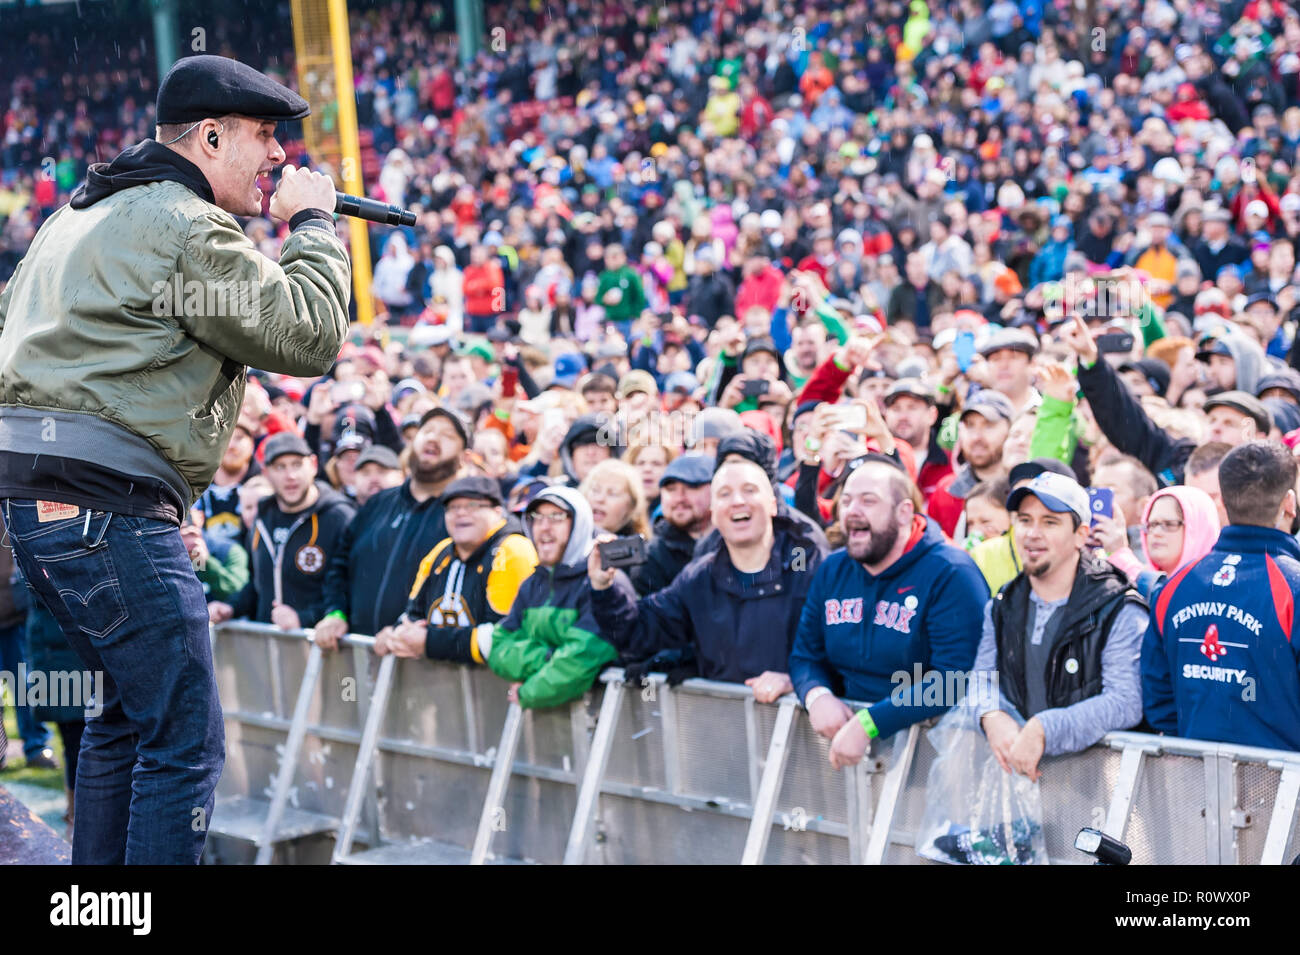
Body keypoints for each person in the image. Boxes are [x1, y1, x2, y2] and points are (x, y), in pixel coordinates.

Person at [0, 56, 349, 864]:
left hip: (43, 506)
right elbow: (307, 335)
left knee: (122, 718)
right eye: (265, 136)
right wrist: (313, 224)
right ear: (211, 135)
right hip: (106, 503)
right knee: (183, 738)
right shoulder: (182, 224)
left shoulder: (73, 218)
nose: (278, 158)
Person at [782, 459, 988, 768]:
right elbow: (805, 656)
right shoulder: (832, 569)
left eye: (869, 500)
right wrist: (816, 695)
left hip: (933, 756)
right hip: (846, 751)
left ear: (904, 512)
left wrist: (870, 723)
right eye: (847, 500)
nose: (852, 510)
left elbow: (955, 679)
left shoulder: (951, 572)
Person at [590, 457, 828, 696]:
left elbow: (845, 654)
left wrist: (800, 681)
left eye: (749, 490)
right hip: (722, 725)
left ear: (773, 505)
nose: (737, 501)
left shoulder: (809, 565)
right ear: (713, 514)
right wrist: (605, 587)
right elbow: (638, 634)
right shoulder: (699, 577)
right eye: (724, 494)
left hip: (800, 728)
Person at [969, 472, 1147, 781]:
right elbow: (981, 678)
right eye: (1025, 520)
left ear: (1080, 534)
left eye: (1050, 522)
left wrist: (1044, 728)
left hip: (1101, 792)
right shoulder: (1002, 603)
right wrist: (990, 714)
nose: (1032, 533)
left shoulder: (1118, 606)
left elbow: (1126, 702)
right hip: (1022, 787)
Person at [1143, 441, 1300, 751]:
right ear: (1289, 503)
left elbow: (1158, 696)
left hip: (1198, 783)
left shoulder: (1176, 585)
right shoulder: (1292, 588)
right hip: (1284, 789)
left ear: (1223, 503)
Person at [314, 407, 469, 645]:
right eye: (427, 430)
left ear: (464, 458)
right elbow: (339, 567)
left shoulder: (465, 518)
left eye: (447, 435)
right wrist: (336, 612)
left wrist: (411, 631)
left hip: (425, 667)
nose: (434, 438)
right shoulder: (377, 504)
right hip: (357, 655)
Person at [375, 476, 537, 664]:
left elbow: (505, 635)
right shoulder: (440, 552)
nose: (460, 513)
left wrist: (429, 642)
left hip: (496, 688)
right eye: (452, 507)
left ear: (497, 511)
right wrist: (395, 634)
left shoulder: (513, 550)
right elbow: (413, 615)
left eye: (472, 505)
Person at [488, 486, 623, 709]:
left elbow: (581, 659)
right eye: (537, 518)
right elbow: (499, 649)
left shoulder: (605, 581)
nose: (544, 527)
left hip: (602, 726)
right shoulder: (532, 584)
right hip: (549, 729)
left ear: (580, 524)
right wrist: (548, 657)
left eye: (557, 517)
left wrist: (527, 693)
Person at [208, 432, 355, 629]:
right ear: (266, 473)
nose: (290, 476)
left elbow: (350, 593)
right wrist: (231, 607)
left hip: (322, 651)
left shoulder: (340, 516)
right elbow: (256, 584)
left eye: (297, 464)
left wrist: (303, 619)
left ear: (313, 464)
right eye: (280, 467)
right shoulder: (262, 516)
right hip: (268, 649)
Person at [630, 454, 714, 597]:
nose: (679, 497)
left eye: (691, 487)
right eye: (671, 489)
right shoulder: (651, 558)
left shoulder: (736, 542)